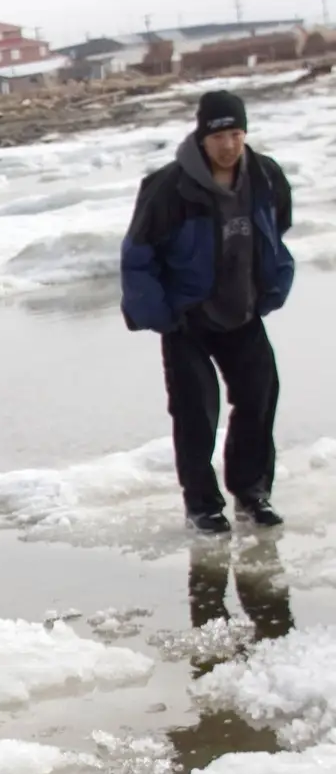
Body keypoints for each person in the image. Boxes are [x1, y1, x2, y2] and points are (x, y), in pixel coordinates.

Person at [121, 89, 295, 534]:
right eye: (219, 136)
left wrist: (273, 282)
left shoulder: (265, 176)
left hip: (242, 312)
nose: (229, 145)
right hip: (188, 320)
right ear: (202, 137)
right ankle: (202, 506)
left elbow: (277, 228)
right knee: (196, 414)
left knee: (258, 400)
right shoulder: (169, 187)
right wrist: (160, 315)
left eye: (236, 134)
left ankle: (252, 492)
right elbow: (138, 256)